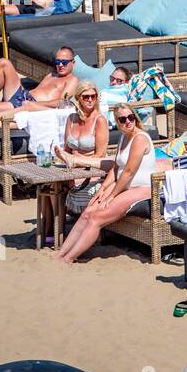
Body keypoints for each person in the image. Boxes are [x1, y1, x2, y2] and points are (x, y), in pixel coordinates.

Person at [56, 103, 156, 262]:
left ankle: (68, 258)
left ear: (135, 117)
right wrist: (102, 189)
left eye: (131, 117)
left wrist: (112, 195)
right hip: (125, 187)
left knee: (96, 218)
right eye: (123, 119)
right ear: (117, 122)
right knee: (88, 210)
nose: (128, 122)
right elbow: (116, 168)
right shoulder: (124, 137)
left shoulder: (140, 138)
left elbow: (129, 172)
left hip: (142, 188)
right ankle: (61, 254)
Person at [52, 79, 110, 222]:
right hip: (71, 168)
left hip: (91, 170)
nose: (90, 100)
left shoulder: (99, 120)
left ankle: (61, 230)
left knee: (60, 186)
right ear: (78, 98)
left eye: (93, 96)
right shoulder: (71, 118)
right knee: (49, 187)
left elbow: (100, 155)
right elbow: (67, 149)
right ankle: (52, 231)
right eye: (86, 97)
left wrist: (78, 166)